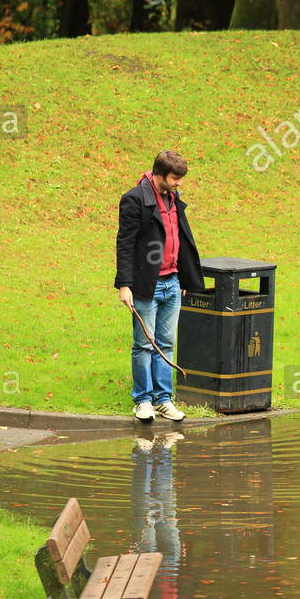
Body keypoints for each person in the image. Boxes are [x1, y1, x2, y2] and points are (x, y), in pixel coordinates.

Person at [115, 150, 203, 422]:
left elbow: (181, 240)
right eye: (175, 178)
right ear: (160, 175)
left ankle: (163, 400)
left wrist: (184, 278)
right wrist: (124, 285)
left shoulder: (173, 198)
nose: (179, 183)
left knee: (166, 343)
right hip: (146, 286)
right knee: (144, 345)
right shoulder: (134, 200)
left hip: (173, 283)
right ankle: (143, 400)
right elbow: (125, 244)